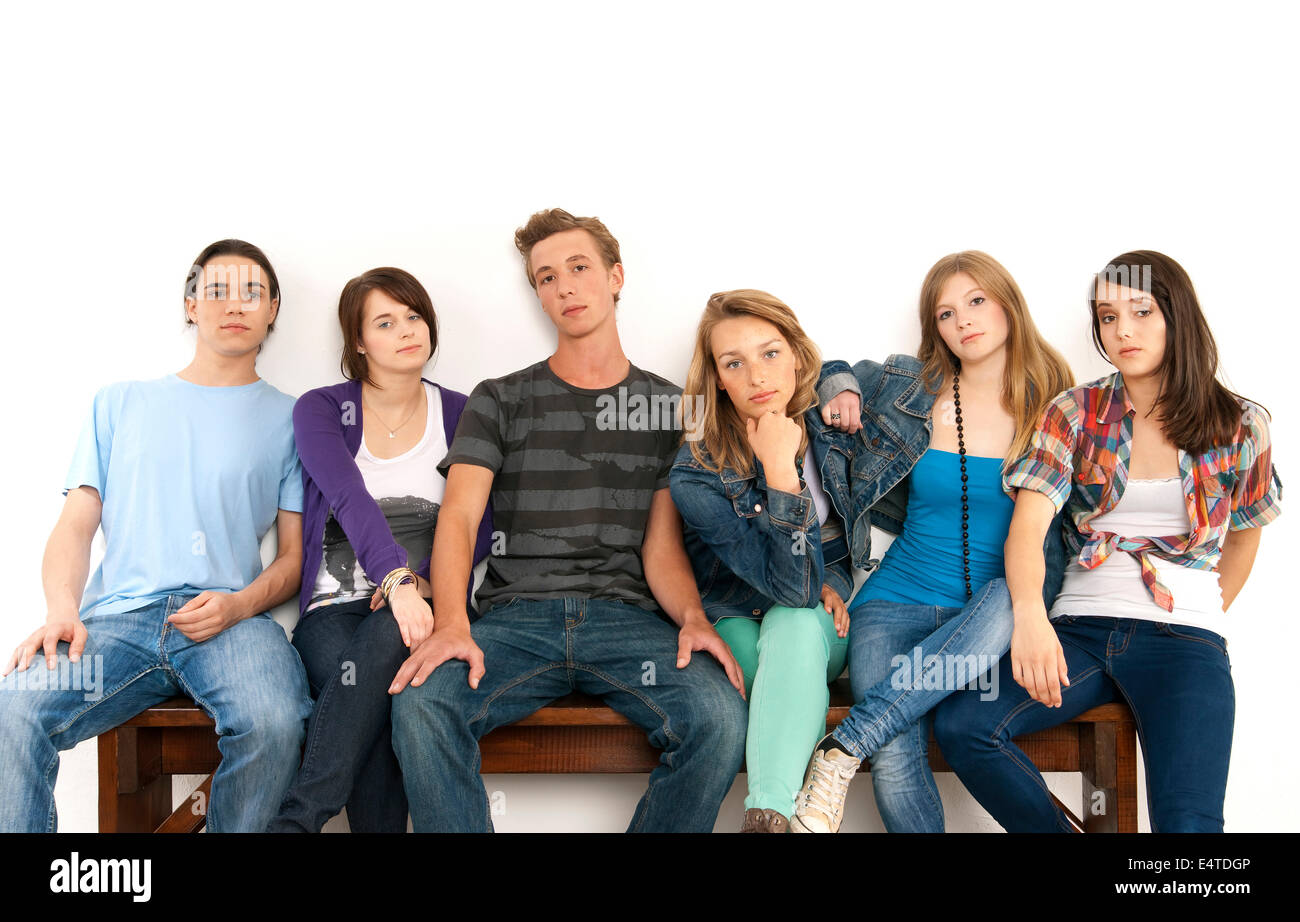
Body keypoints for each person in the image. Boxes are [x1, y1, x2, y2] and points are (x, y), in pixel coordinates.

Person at [387, 208, 748, 832]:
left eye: (579, 268)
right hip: (514, 621)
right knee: (422, 705)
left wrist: (693, 620)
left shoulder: (669, 408)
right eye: (547, 277)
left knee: (718, 717)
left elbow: (661, 546)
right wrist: (451, 622)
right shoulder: (499, 398)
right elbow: (460, 518)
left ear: (616, 277)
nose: (565, 287)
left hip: (628, 621)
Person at [934, 250, 1281, 833]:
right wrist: (1031, 621)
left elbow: (1246, 534)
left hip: (1185, 639)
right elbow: (1027, 530)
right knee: (965, 727)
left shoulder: (1241, 423)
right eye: (1107, 317)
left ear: (1177, 316)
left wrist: (1199, 613)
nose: (1122, 331)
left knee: (1190, 827)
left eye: (1141, 312)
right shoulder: (1073, 411)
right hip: (1082, 629)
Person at [0, 239, 313, 832]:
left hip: (230, 622)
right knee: (14, 708)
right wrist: (61, 609)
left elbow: (296, 558)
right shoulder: (120, 403)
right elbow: (75, 522)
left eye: (253, 291)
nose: (234, 303)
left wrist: (238, 605)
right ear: (190, 305)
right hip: (119, 622)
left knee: (274, 721)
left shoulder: (293, 419)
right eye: (216, 289)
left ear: (274, 308)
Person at [789, 251, 1073, 833]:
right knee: (895, 754)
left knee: (1011, 598)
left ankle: (843, 748)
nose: (963, 321)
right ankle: (862, 744)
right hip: (895, 601)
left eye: (976, 302)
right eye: (945, 313)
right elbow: (823, 367)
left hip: (996, 607)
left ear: (1007, 304)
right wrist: (840, 392)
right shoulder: (909, 387)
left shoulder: (1057, 404)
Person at [269, 268, 494, 832]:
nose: (406, 331)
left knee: (383, 667)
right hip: (331, 614)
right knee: (373, 702)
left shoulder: (464, 413)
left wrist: (419, 583)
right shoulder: (321, 410)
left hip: (423, 604)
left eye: (414, 316)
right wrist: (395, 581)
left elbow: (482, 523)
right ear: (357, 341)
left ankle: (295, 822)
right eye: (386, 322)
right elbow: (349, 499)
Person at [669, 289, 852, 833]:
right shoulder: (695, 472)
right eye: (734, 363)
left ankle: (764, 815)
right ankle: (778, 817)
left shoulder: (830, 429)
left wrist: (842, 379)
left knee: (794, 623)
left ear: (797, 354)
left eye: (770, 353)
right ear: (717, 379)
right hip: (733, 619)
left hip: (821, 623)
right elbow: (791, 584)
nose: (757, 376)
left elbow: (802, 596)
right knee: (781, 638)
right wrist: (779, 470)